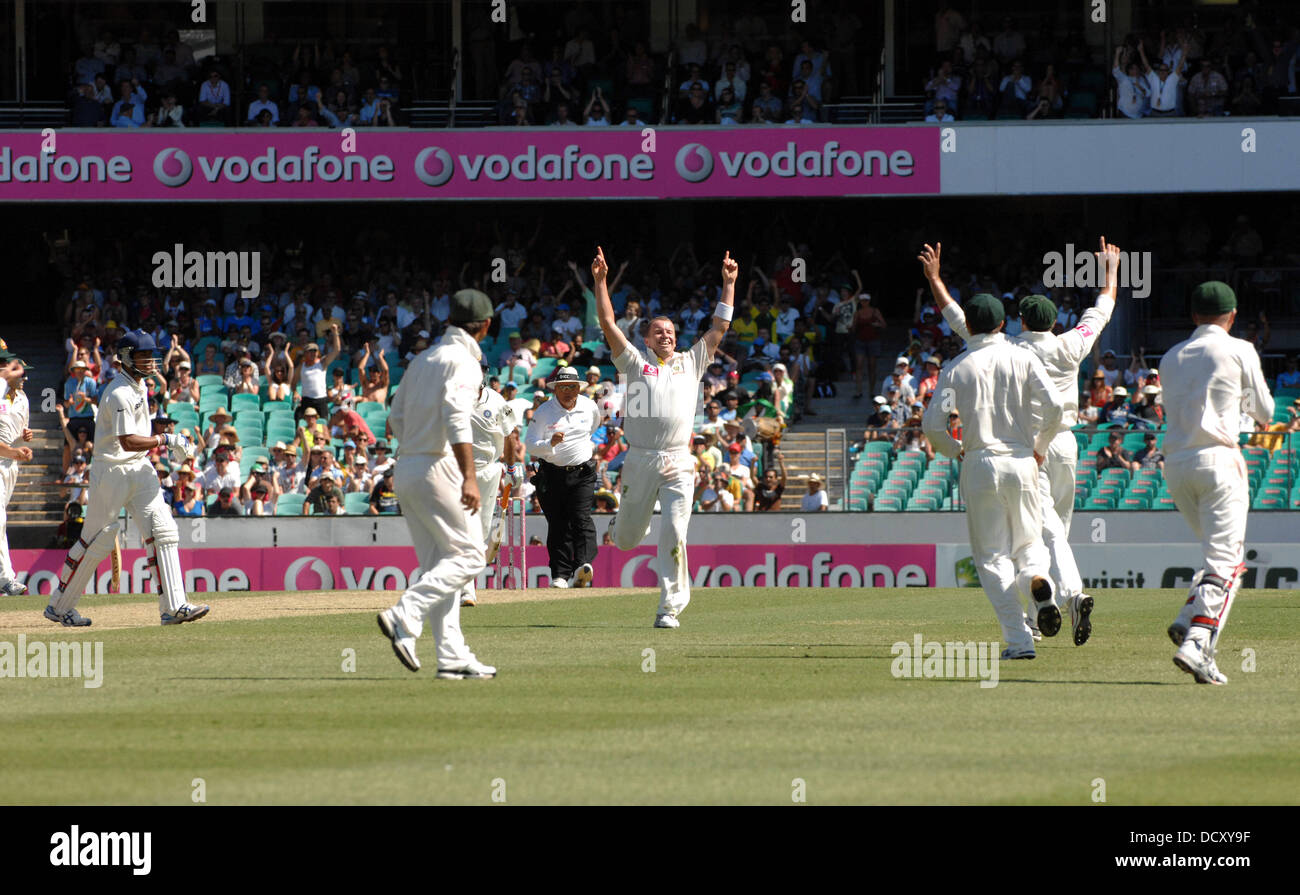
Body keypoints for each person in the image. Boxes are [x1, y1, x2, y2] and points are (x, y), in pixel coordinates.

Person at [923, 238, 1119, 645]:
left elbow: (964, 323)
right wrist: (1111, 273)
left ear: (1022, 323)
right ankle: (1050, 603)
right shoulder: (1071, 344)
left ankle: (1067, 596)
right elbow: (1100, 312)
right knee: (1052, 531)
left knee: (1039, 533)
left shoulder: (1012, 349)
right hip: (1065, 441)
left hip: (1029, 447)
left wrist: (936, 280)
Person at [594, 246, 737, 628]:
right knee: (625, 541)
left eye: (671, 331)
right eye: (659, 331)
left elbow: (720, 327)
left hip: (678, 460)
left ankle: (668, 607)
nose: (666, 335)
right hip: (640, 459)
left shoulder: (692, 362)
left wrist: (729, 283)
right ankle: (621, 526)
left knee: (675, 531)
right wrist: (601, 281)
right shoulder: (635, 362)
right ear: (647, 338)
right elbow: (608, 324)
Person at [920, 294, 1063, 659]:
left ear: (968, 325)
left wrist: (955, 450)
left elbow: (933, 425)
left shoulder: (956, 367)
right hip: (1022, 459)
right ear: (1003, 324)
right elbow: (1055, 407)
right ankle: (1038, 581)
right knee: (1030, 545)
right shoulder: (1024, 356)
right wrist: (1041, 445)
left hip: (980, 461)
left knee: (992, 558)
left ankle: (1019, 641)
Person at [44, 330, 209, 627]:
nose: (150, 361)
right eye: (143, 356)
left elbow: (137, 446)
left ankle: (173, 607)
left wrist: (164, 441)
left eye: (151, 356)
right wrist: (166, 440)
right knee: (97, 539)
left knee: (164, 530)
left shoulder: (139, 385)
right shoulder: (118, 392)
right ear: (125, 359)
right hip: (112, 471)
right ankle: (59, 605)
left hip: (140, 468)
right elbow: (128, 441)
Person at [376, 290, 499, 679]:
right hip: (436, 466)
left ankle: (451, 656)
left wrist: (415, 447)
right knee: (470, 557)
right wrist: (467, 477)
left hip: (407, 467)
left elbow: (393, 417)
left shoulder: (423, 358)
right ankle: (405, 614)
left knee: (440, 563)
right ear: (486, 326)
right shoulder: (464, 362)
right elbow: (457, 419)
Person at [1161, 282, 1274, 685]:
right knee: (1228, 563)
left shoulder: (1170, 357)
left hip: (1175, 466)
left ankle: (1189, 614)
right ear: (1232, 315)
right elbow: (1265, 411)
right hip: (1218, 461)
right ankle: (1198, 641)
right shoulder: (1239, 349)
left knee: (1217, 559)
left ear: (1194, 315)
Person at [526, 365, 600, 589]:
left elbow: (594, 426)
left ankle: (582, 567)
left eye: (572, 386)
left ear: (579, 388)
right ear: (555, 389)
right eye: (563, 387)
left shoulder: (589, 406)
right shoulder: (543, 412)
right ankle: (559, 574)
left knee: (581, 519)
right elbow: (530, 444)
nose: (568, 391)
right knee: (558, 524)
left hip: (582, 473)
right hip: (552, 475)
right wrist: (550, 444)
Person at [456, 374, 524, 606]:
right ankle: (466, 589)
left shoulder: (497, 402)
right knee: (463, 530)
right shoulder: (453, 398)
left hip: (488, 471)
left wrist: (512, 467)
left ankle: (464, 584)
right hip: (459, 473)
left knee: (480, 531)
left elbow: (509, 436)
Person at [0, 351, 35, 594]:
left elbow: (22, 432)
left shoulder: (23, 398)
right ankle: (6, 579)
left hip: (10, 467)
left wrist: (26, 442)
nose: (23, 378)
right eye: (19, 373)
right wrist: (12, 451)